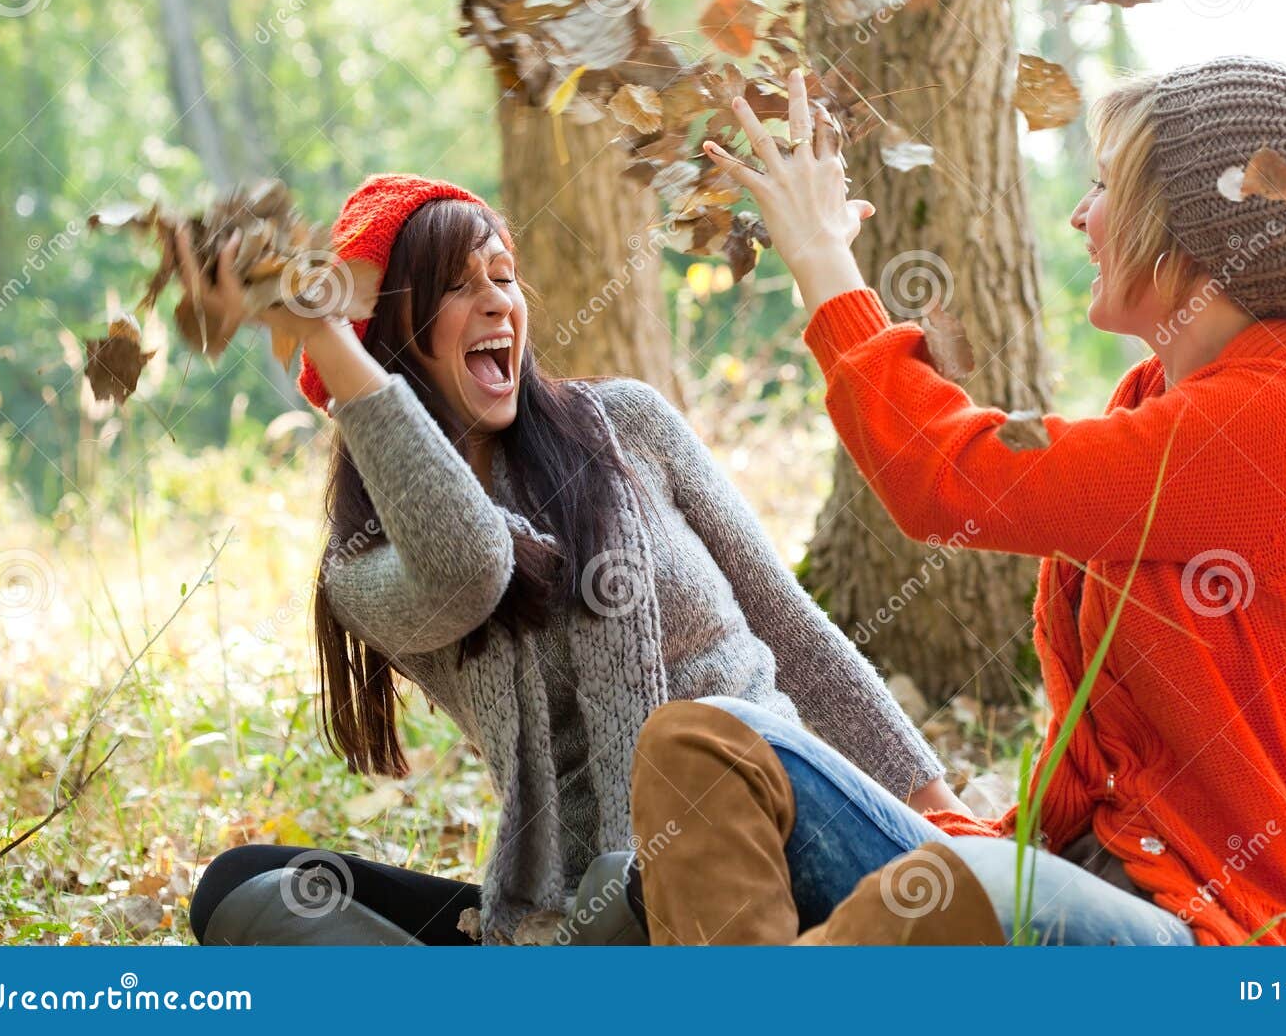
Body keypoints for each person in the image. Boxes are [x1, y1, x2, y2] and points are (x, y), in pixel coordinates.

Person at [614, 57, 1286, 946]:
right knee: (705, 746)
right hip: (1075, 885)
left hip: (1227, 938)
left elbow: (952, 474)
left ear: (1192, 229)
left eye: (1103, 186)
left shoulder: (1285, 424)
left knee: (955, 886)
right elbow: (1108, 756)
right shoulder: (1152, 399)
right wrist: (971, 827)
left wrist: (824, 260)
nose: (1081, 215)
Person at [186, 173, 960, 946]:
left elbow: (790, 628)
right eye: (457, 286)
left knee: (611, 883)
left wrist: (937, 807)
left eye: (503, 275)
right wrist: (329, 338)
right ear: (386, 339)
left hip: (762, 838)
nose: (498, 301)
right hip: (589, 904)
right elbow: (469, 562)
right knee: (241, 883)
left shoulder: (630, 424)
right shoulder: (364, 565)